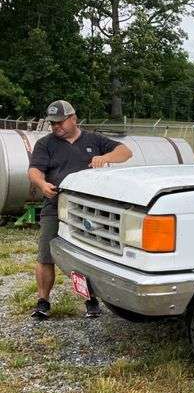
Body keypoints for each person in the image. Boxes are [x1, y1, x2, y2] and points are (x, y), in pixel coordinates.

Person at [27, 100, 133, 319]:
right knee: (46, 255)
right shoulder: (46, 144)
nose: (55, 127)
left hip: (87, 210)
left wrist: (105, 158)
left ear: (73, 118)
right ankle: (43, 302)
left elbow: (125, 151)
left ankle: (90, 300)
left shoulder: (93, 140)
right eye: (52, 123)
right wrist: (42, 184)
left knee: (86, 255)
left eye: (59, 122)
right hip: (55, 205)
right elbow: (34, 170)